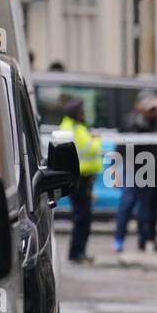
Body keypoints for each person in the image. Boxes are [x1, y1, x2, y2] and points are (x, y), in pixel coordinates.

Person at [113, 91, 157, 253]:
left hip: (155, 169)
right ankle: (119, 240)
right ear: (139, 106)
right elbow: (121, 147)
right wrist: (116, 170)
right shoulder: (132, 122)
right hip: (135, 169)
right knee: (128, 205)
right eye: (149, 107)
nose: (153, 111)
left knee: (150, 206)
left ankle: (147, 239)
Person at [58, 99, 102, 263]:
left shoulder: (74, 127)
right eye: (81, 111)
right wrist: (97, 139)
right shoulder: (74, 128)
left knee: (82, 217)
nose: (84, 113)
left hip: (82, 178)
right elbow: (90, 149)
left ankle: (79, 252)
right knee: (82, 217)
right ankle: (77, 253)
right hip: (80, 178)